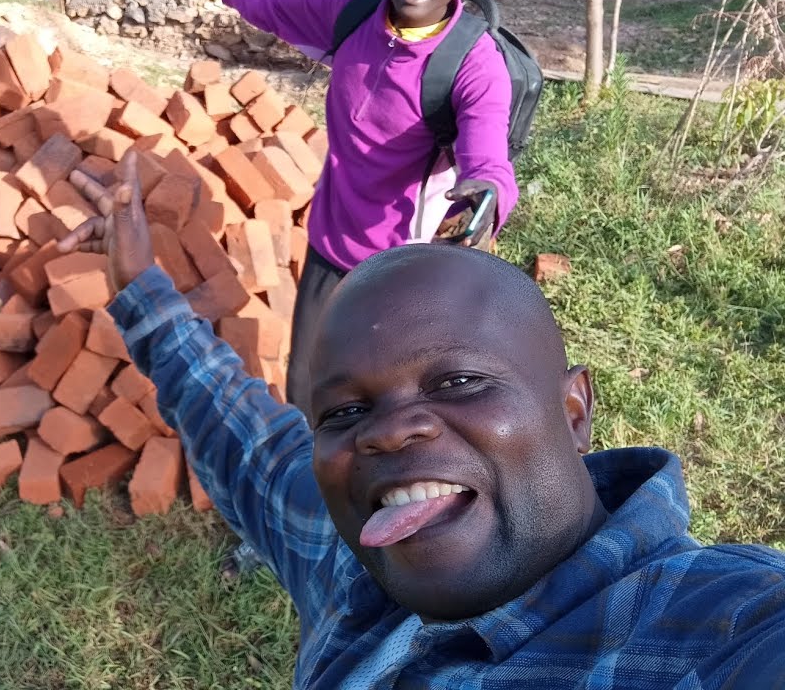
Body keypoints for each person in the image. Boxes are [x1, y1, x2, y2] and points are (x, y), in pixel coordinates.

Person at [59, 153, 785, 688]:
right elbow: (244, 438)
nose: (387, 431)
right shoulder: (355, 569)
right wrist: (140, 285)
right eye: (345, 410)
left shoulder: (719, 627)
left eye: (459, 381)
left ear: (573, 412)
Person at [191, 0, 520, 421]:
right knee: (311, 396)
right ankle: (308, 487)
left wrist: (485, 194)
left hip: (403, 270)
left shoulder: (473, 64)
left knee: (393, 409)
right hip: (330, 245)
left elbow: (488, 155)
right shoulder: (354, 4)